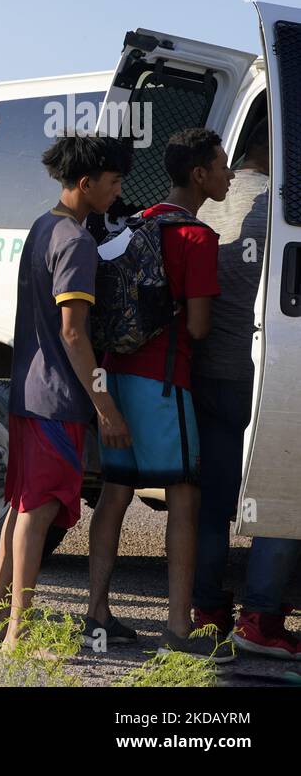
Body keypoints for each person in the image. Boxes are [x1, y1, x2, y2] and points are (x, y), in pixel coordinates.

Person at [87, 128, 234, 662]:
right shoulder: (197, 238)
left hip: (115, 374)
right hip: (164, 382)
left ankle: (97, 612)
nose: (229, 174)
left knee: (115, 492)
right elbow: (197, 327)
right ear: (199, 174)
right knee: (185, 499)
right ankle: (177, 629)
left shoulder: (137, 223)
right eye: (221, 165)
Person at [0, 134, 130, 648]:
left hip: (30, 394)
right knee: (40, 508)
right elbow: (74, 334)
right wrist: (105, 405)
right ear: (87, 183)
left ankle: (1, 619)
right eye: (113, 183)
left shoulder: (42, 226)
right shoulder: (76, 240)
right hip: (58, 399)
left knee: (22, 507)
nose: (118, 193)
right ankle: (16, 632)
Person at [188, 122, 300, 657]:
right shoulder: (285, 208)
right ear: (275, 143)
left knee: (213, 499)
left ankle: (208, 609)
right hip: (266, 371)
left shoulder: (209, 203)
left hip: (207, 369)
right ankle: (261, 618)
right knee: (283, 490)